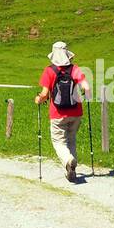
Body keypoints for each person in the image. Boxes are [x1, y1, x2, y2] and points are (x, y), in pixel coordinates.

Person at [34, 40, 90, 181]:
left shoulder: (49, 71)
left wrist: (38, 99)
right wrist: (86, 94)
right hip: (76, 112)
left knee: (59, 142)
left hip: (57, 114)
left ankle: (68, 161)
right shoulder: (74, 69)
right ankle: (71, 170)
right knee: (71, 140)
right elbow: (86, 86)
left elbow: (45, 94)